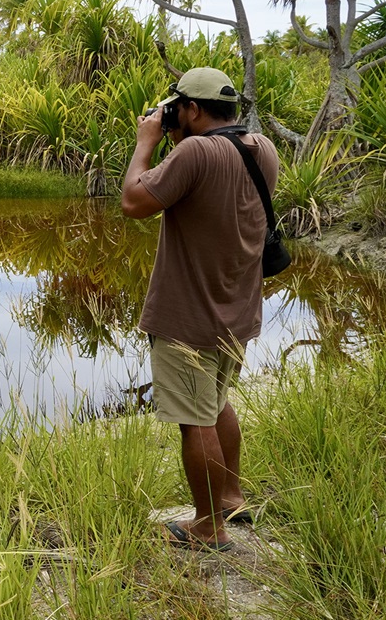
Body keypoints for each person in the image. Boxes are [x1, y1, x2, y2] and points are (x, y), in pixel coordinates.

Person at [120, 66, 280, 551]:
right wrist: (177, 138)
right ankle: (230, 497)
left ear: (191, 108)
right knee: (216, 403)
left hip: (188, 318)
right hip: (237, 311)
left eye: (176, 109)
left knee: (196, 419)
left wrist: (146, 142)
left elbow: (134, 202)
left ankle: (208, 528)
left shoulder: (194, 153)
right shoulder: (261, 148)